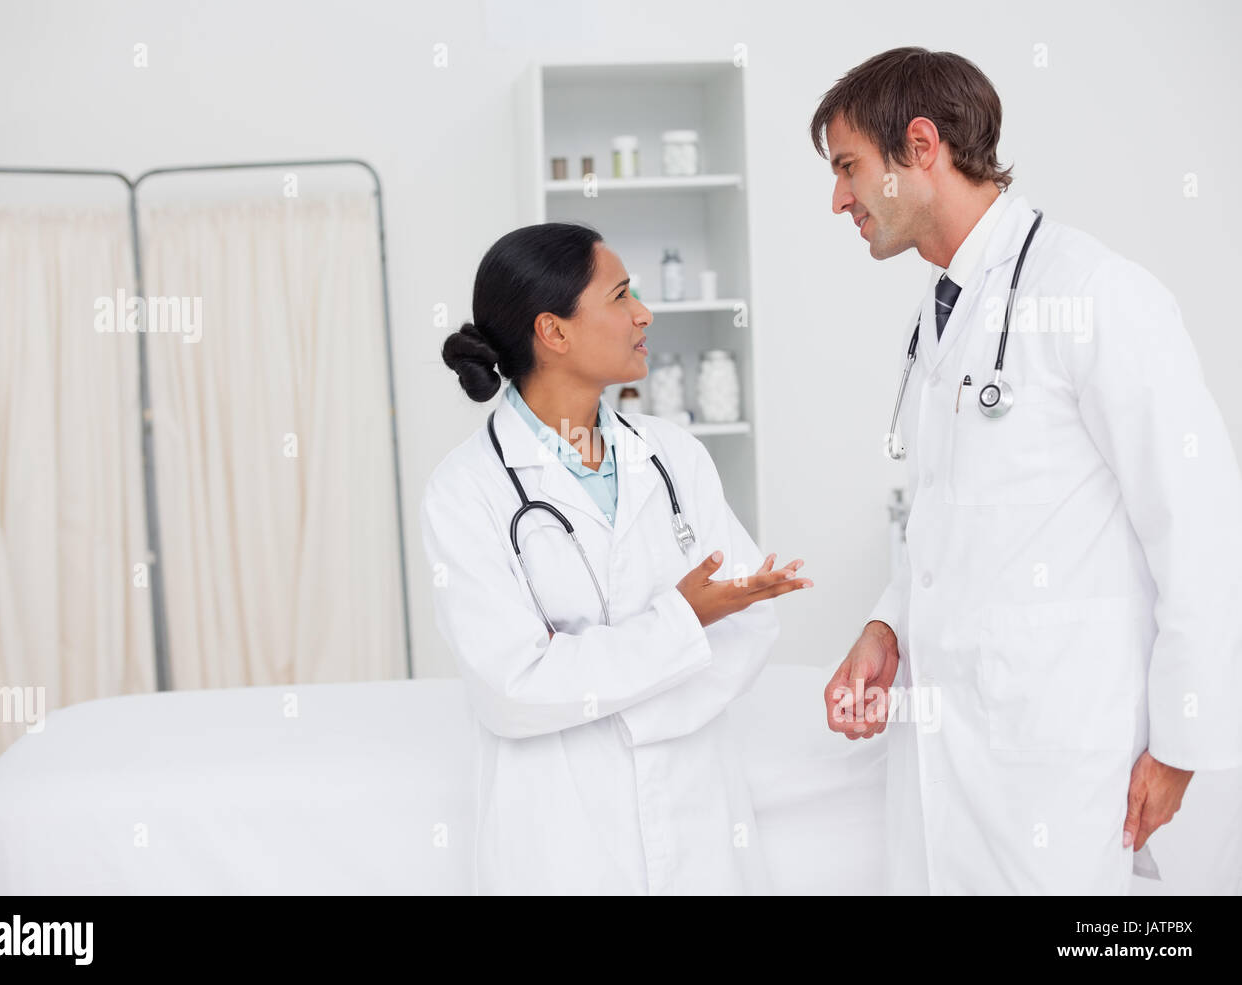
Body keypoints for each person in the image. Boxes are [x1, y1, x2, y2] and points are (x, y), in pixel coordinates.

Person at [812, 47, 1242, 894]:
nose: (839, 200)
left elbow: (1200, 521)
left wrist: (1184, 741)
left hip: (1062, 762)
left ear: (923, 146)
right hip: (957, 759)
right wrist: (886, 626)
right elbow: (952, 516)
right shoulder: (947, 310)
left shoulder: (1094, 292)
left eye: (849, 168)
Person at [421, 222, 810, 894]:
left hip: (700, 823)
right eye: (622, 295)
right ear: (555, 332)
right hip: (563, 843)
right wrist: (684, 622)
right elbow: (512, 690)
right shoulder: (465, 491)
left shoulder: (674, 456)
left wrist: (591, 690)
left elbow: (749, 623)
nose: (644, 313)